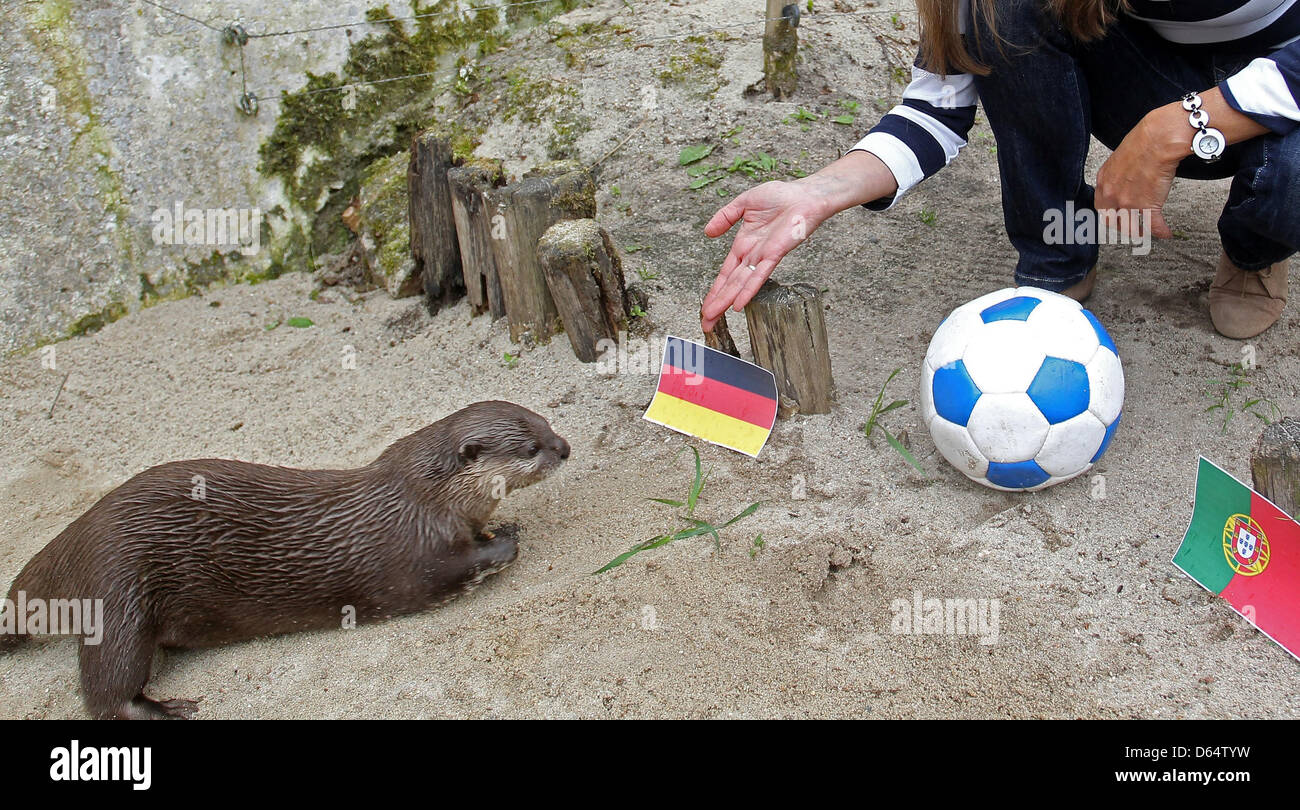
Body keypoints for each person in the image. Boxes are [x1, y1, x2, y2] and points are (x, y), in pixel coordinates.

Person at [701, 0, 1297, 339]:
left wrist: (1179, 126)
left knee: (1287, 185)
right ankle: (1060, 245)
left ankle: (1255, 247)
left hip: (1285, 72)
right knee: (995, 12)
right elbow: (938, 103)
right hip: (1149, 67)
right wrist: (820, 190)